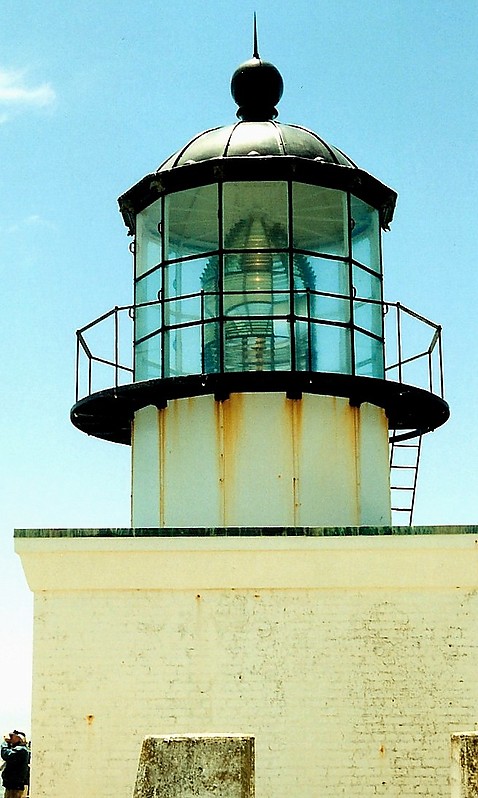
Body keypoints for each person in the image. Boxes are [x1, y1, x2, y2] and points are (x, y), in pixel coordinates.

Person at [1, 731, 30, 798]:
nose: (10, 738)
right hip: (14, 786)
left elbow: (6, 755)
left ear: (19, 738)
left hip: (15, 787)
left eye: (12, 736)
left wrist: (5, 743)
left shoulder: (21, 750)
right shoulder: (21, 749)